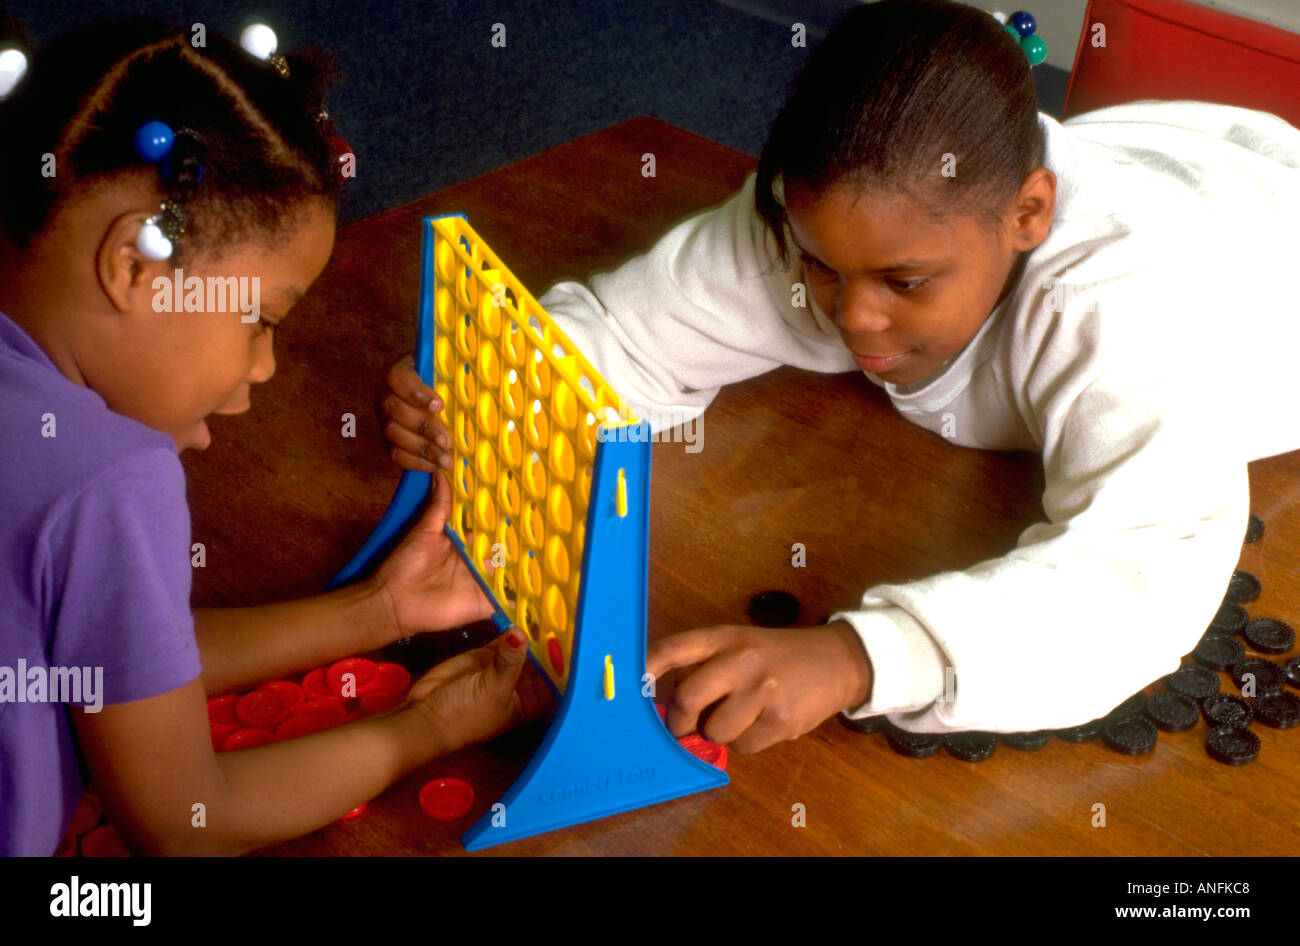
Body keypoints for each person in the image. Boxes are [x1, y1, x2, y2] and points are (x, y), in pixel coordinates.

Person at [383, 0, 1300, 753]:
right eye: (819, 266)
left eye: (906, 282)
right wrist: (498, 392)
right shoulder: (837, 206)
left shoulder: (1128, 301)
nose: (853, 317)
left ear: (1029, 215)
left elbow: (1143, 569)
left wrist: (862, 657)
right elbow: (627, 333)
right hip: (1155, 144)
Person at [0, 17, 547, 857]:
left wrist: (380, 610)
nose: (263, 367)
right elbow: (186, 821)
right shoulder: (110, 475)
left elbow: (113, 652)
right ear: (135, 266)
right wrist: (431, 727)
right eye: (260, 321)